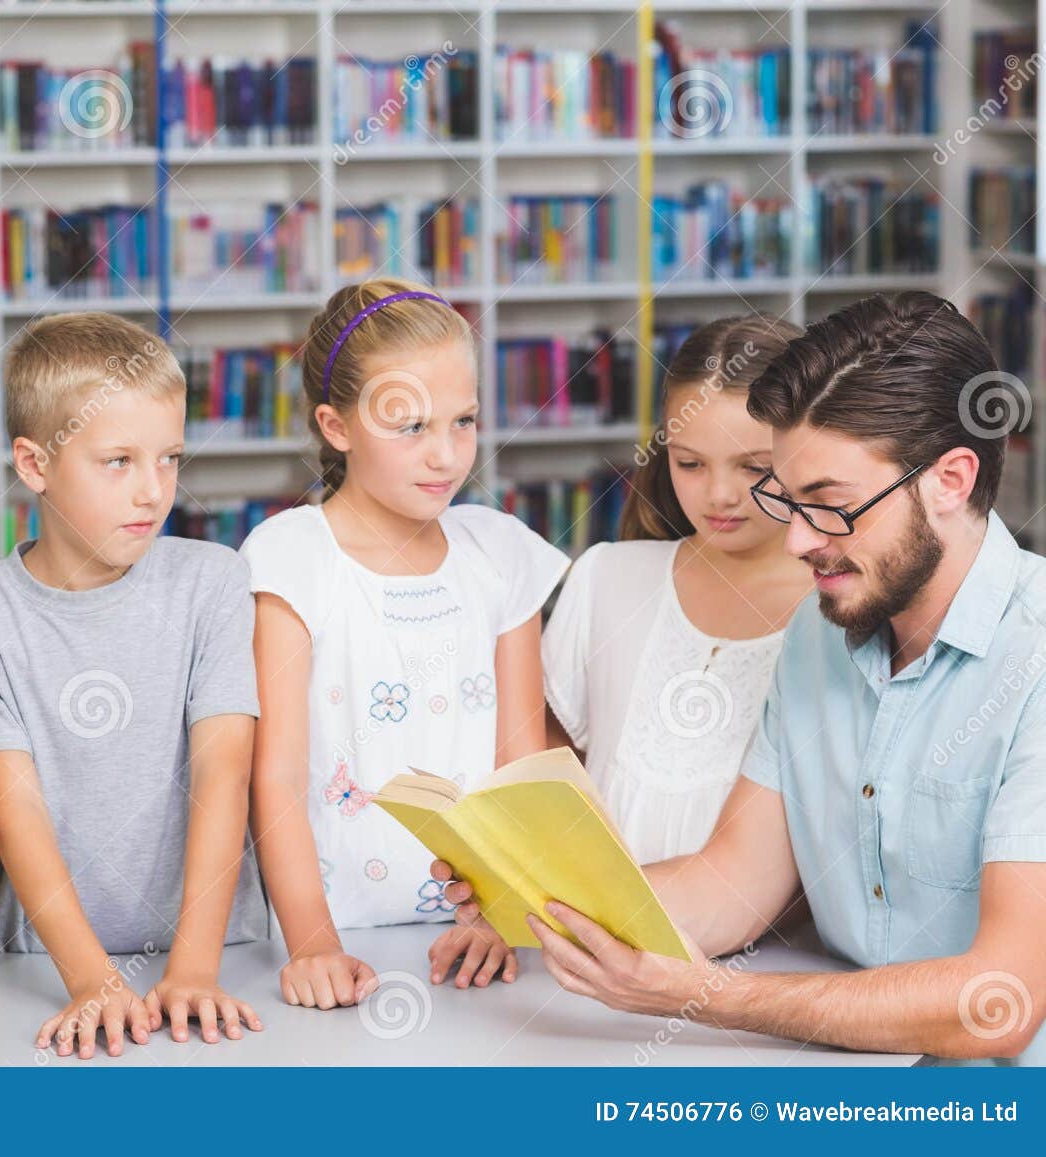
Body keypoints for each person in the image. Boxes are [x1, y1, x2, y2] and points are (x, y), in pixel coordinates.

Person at [436, 292, 1046, 1063]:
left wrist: (706, 995)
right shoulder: (819, 636)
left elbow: (999, 1002)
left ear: (951, 479)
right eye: (786, 498)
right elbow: (731, 881)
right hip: (855, 1076)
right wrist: (531, 898)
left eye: (830, 506)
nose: (796, 542)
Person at [0, 311, 266, 1060]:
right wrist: (91, 980)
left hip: (219, 955)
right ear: (35, 463)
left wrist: (194, 969)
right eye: (118, 462)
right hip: (41, 965)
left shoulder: (213, 581)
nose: (154, 491)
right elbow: (13, 807)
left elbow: (224, 770)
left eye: (169, 458)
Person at [242, 279, 568, 1007]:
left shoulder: (499, 553)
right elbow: (277, 778)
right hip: (327, 931)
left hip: (473, 941)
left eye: (463, 421)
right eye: (410, 426)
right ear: (336, 426)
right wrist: (314, 944)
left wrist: (498, 915)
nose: (445, 455)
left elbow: (521, 765)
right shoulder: (292, 557)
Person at [543, 315, 813, 861]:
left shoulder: (844, 607)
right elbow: (549, 758)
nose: (719, 494)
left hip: (769, 917)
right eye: (690, 463)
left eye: (754, 468)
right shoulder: (605, 577)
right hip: (594, 905)